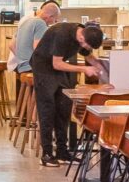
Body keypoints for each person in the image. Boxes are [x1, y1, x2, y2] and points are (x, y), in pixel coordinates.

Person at [30, 17, 98, 165]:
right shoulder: (62, 34)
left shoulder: (81, 32)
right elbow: (57, 64)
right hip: (43, 67)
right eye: (86, 44)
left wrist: (101, 68)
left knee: (64, 107)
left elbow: (89, 56)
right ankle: (47, 154)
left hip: (56, 68)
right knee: (47, 109)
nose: (86, 47)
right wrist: (84, 69)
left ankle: (62, 152)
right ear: (82, 37)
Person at [11, 0, 60, 73]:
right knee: (61, 73)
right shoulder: (40, 23)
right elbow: (38, 48)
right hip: (33, 67)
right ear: (50, 16)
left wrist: (22, 60)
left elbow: (12, 45)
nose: (54, 23)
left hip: (21, 67)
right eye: (55, 20)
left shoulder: (25, 22)